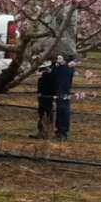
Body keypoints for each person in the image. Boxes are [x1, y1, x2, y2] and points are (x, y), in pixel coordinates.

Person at [36, 8, 78, 140]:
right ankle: (44, 129)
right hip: (45, 59)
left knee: (62, 98)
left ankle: (62, 132)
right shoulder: (44, 9)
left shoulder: (68, 7)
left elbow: (63, 19)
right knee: (43, 97)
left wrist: (55, 1)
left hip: (64, 58)